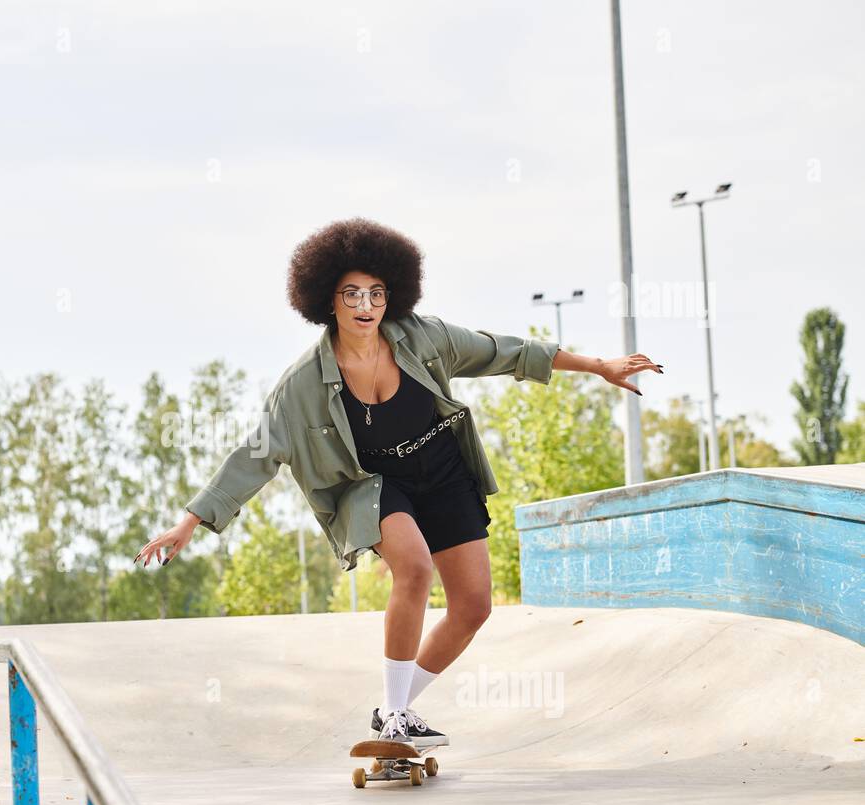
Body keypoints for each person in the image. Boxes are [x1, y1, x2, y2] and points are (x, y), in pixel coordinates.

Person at [134, 217, 663, 747]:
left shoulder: (425, 339)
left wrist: (598, 365)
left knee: (474, 606)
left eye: (376, 294)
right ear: (328, 301)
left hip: (444, 472)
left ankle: (398, 709)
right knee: (412, 568)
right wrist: (189, 522)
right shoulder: (300, 387)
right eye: (351, 295)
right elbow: (256, 454)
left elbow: (506, 351)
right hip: (375, 486)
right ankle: (392, 717)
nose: (365, 307)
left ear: (392, 297)